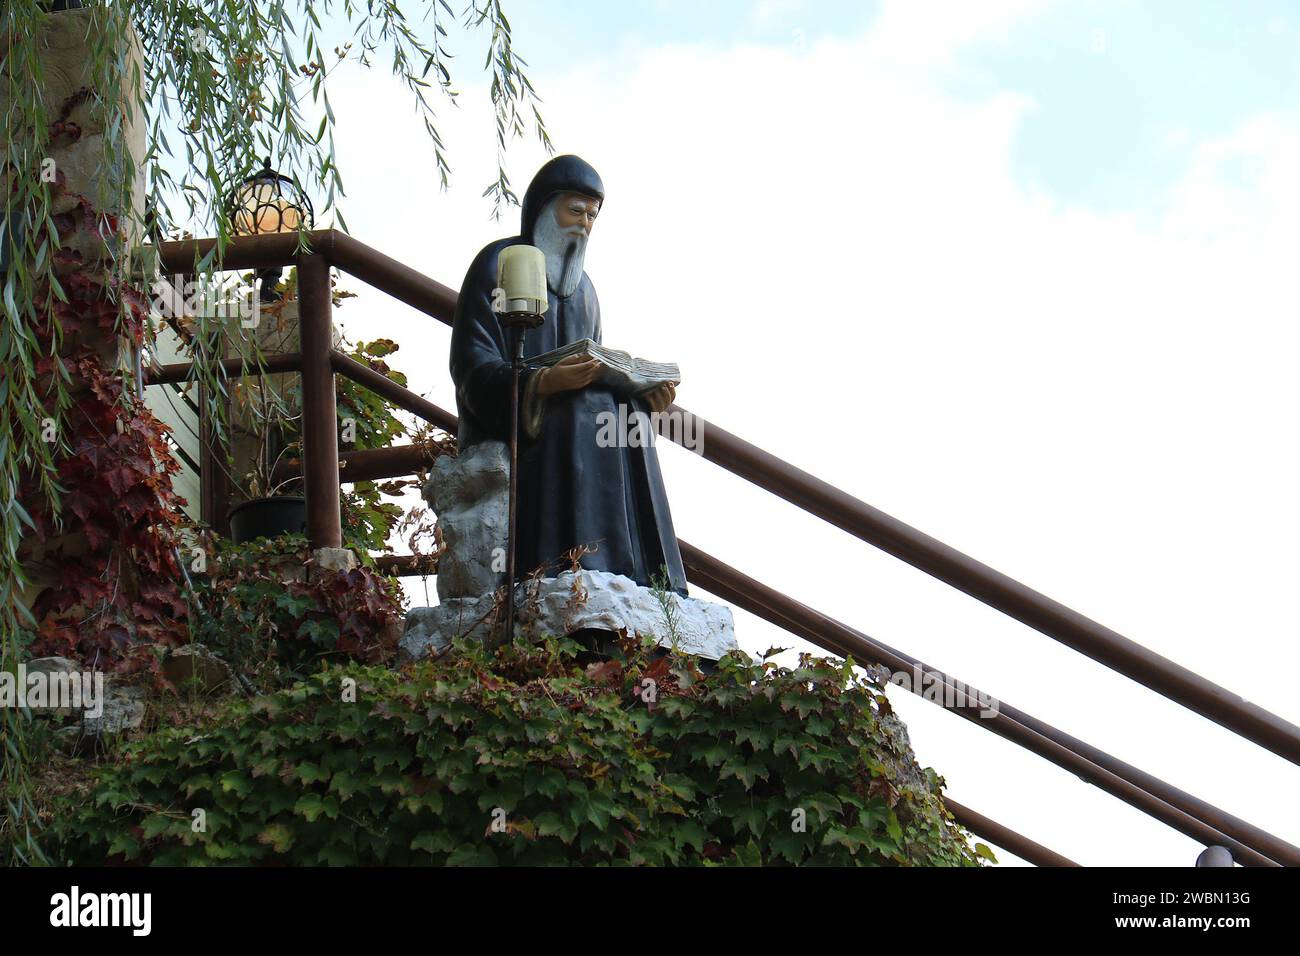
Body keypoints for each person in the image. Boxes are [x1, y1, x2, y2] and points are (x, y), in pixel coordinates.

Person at [449, 154, 688, 597]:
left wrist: (641, 394)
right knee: (589, 406)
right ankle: (573, 564)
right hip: (518, 424)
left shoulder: (587, 291)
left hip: (571, 413)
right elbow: (471, 366)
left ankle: (648, 576)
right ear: (544, 208)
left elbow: (594, 363)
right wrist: (541, 383)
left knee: (625, 412)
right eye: (574, 211)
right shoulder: (497, 264)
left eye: (592, 215)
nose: (584, 223)